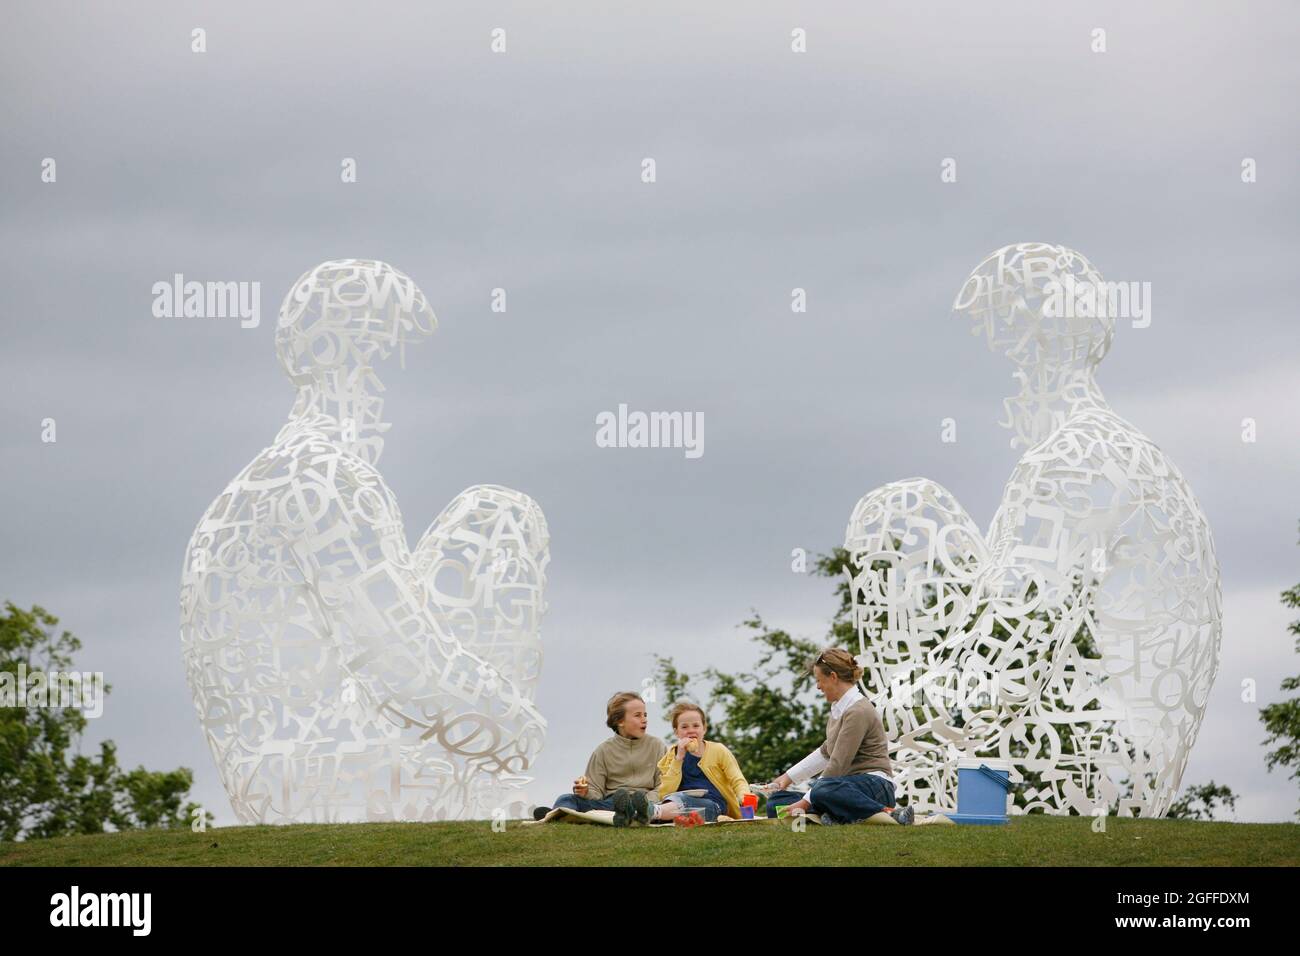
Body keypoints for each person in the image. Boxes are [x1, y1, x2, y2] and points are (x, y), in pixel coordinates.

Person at [765, 648, 915, 825]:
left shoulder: (858, 711)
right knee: (776, 802)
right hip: (843, 787)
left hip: (875, 787)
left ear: (833, 677)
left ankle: (888, 813)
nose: (818, 687)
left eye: (819, 680)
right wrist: (786, 778)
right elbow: (825, 752)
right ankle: (837, 816)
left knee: (822, 789)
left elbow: (837, 764)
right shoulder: (839, 709)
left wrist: (805, 802)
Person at [533, 691, 667, 825]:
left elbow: (663, 785)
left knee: (642, 805)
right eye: (638, 715)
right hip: (611, 804)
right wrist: (585, 792)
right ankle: (558, 813)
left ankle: (563, 817)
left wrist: (645, 802)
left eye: (645, 714)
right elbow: (596, 791)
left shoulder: (657, 746)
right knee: (567, 798)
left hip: (644, 802)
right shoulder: (603, 750)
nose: (644, 719)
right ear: (620, 721)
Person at [620, 700, 749, 825]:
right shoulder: (672, 754)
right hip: (677, 803)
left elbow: (737, 779)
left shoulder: (718, 750)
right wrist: (678, 759)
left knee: (682, 803)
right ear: (677, 732)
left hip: (714, 805)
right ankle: (633, 816)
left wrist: (745, 797)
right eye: (684, 727)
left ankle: (647, 812)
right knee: (672, 804)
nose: (691, 730)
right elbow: (665, 792)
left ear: (704, 728)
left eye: (696, 725)